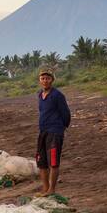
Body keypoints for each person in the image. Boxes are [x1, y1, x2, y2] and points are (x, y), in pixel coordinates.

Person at [36, 67, 71, 196]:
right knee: (41, 161)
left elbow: (66, 114)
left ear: (52, 80)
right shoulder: (40, 94)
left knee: (53, 162)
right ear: (40, 80)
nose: (45, 80)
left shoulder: (57, 95)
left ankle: (52, 189)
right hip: (43, 131)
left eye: (48, 78)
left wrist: (61, 128)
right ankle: (45, 189)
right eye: (43, 78)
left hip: (55, 132)